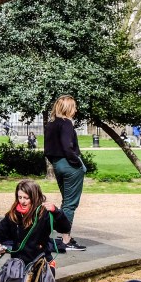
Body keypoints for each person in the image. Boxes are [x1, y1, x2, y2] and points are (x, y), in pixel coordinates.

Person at [0, 179, 71, 264]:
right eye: (20, 197)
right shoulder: (14, 214)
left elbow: (65, 228)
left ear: (35, 197)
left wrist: (57, 212)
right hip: (18, 263)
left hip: (41, 262)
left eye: (26, 198)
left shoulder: (44, 213)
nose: (22, 201)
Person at [43, 95, 86, 251]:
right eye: (74, 107)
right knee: (70, 204)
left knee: (66, 201)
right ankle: (66, 240)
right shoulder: (66, 123)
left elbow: (47, 150)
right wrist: (77, 163)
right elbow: (67, 146)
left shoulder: (51, 124)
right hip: (69, 165)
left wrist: (56, 163)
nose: (75, 110)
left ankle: (63, 235)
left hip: (57, 164)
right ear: (68, 108)